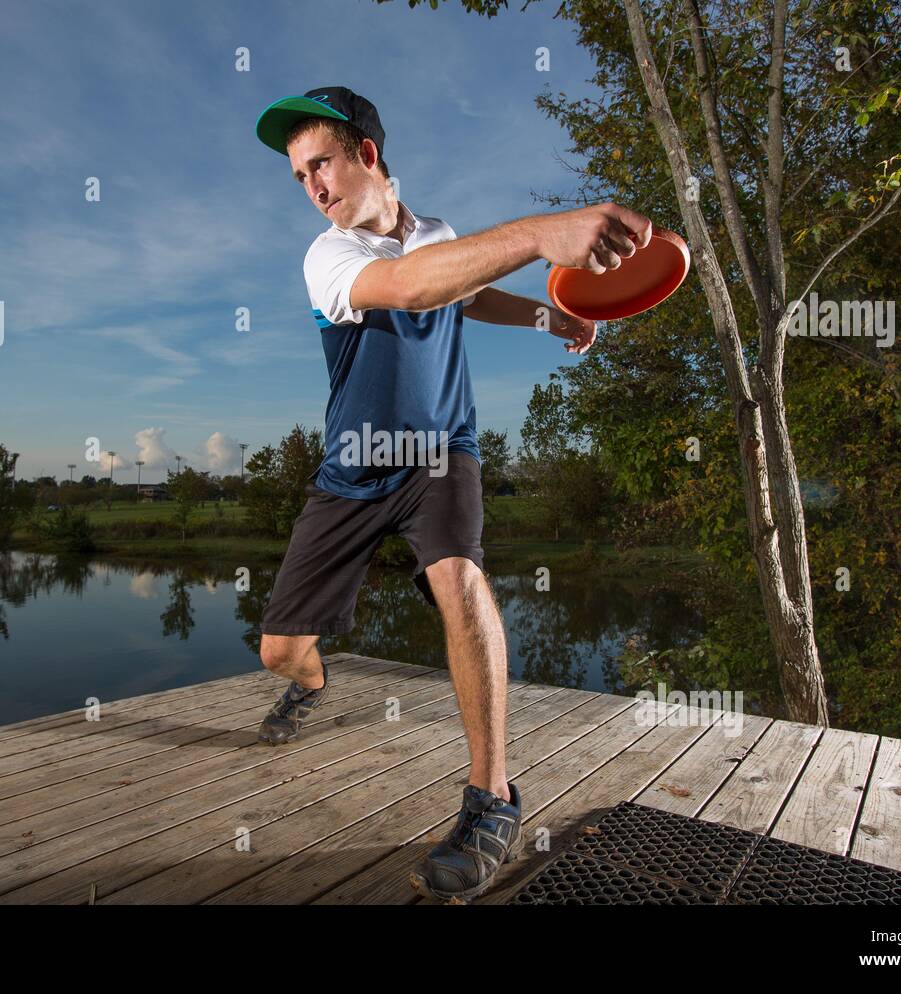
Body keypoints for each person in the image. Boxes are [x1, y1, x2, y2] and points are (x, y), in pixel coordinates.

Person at [252, 86, 651, 901]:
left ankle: (491, 798)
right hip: (354, 471)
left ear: (366, 153)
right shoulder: (329, 256)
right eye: (299, 176)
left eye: (319, 163)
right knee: (278, 651)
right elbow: (415, 289)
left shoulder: (436, 236)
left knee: (460, 581)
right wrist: (543, 233)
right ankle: (314, 678)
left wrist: (548, 319)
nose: (312, 187)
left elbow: (466, 291)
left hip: (442, 454)